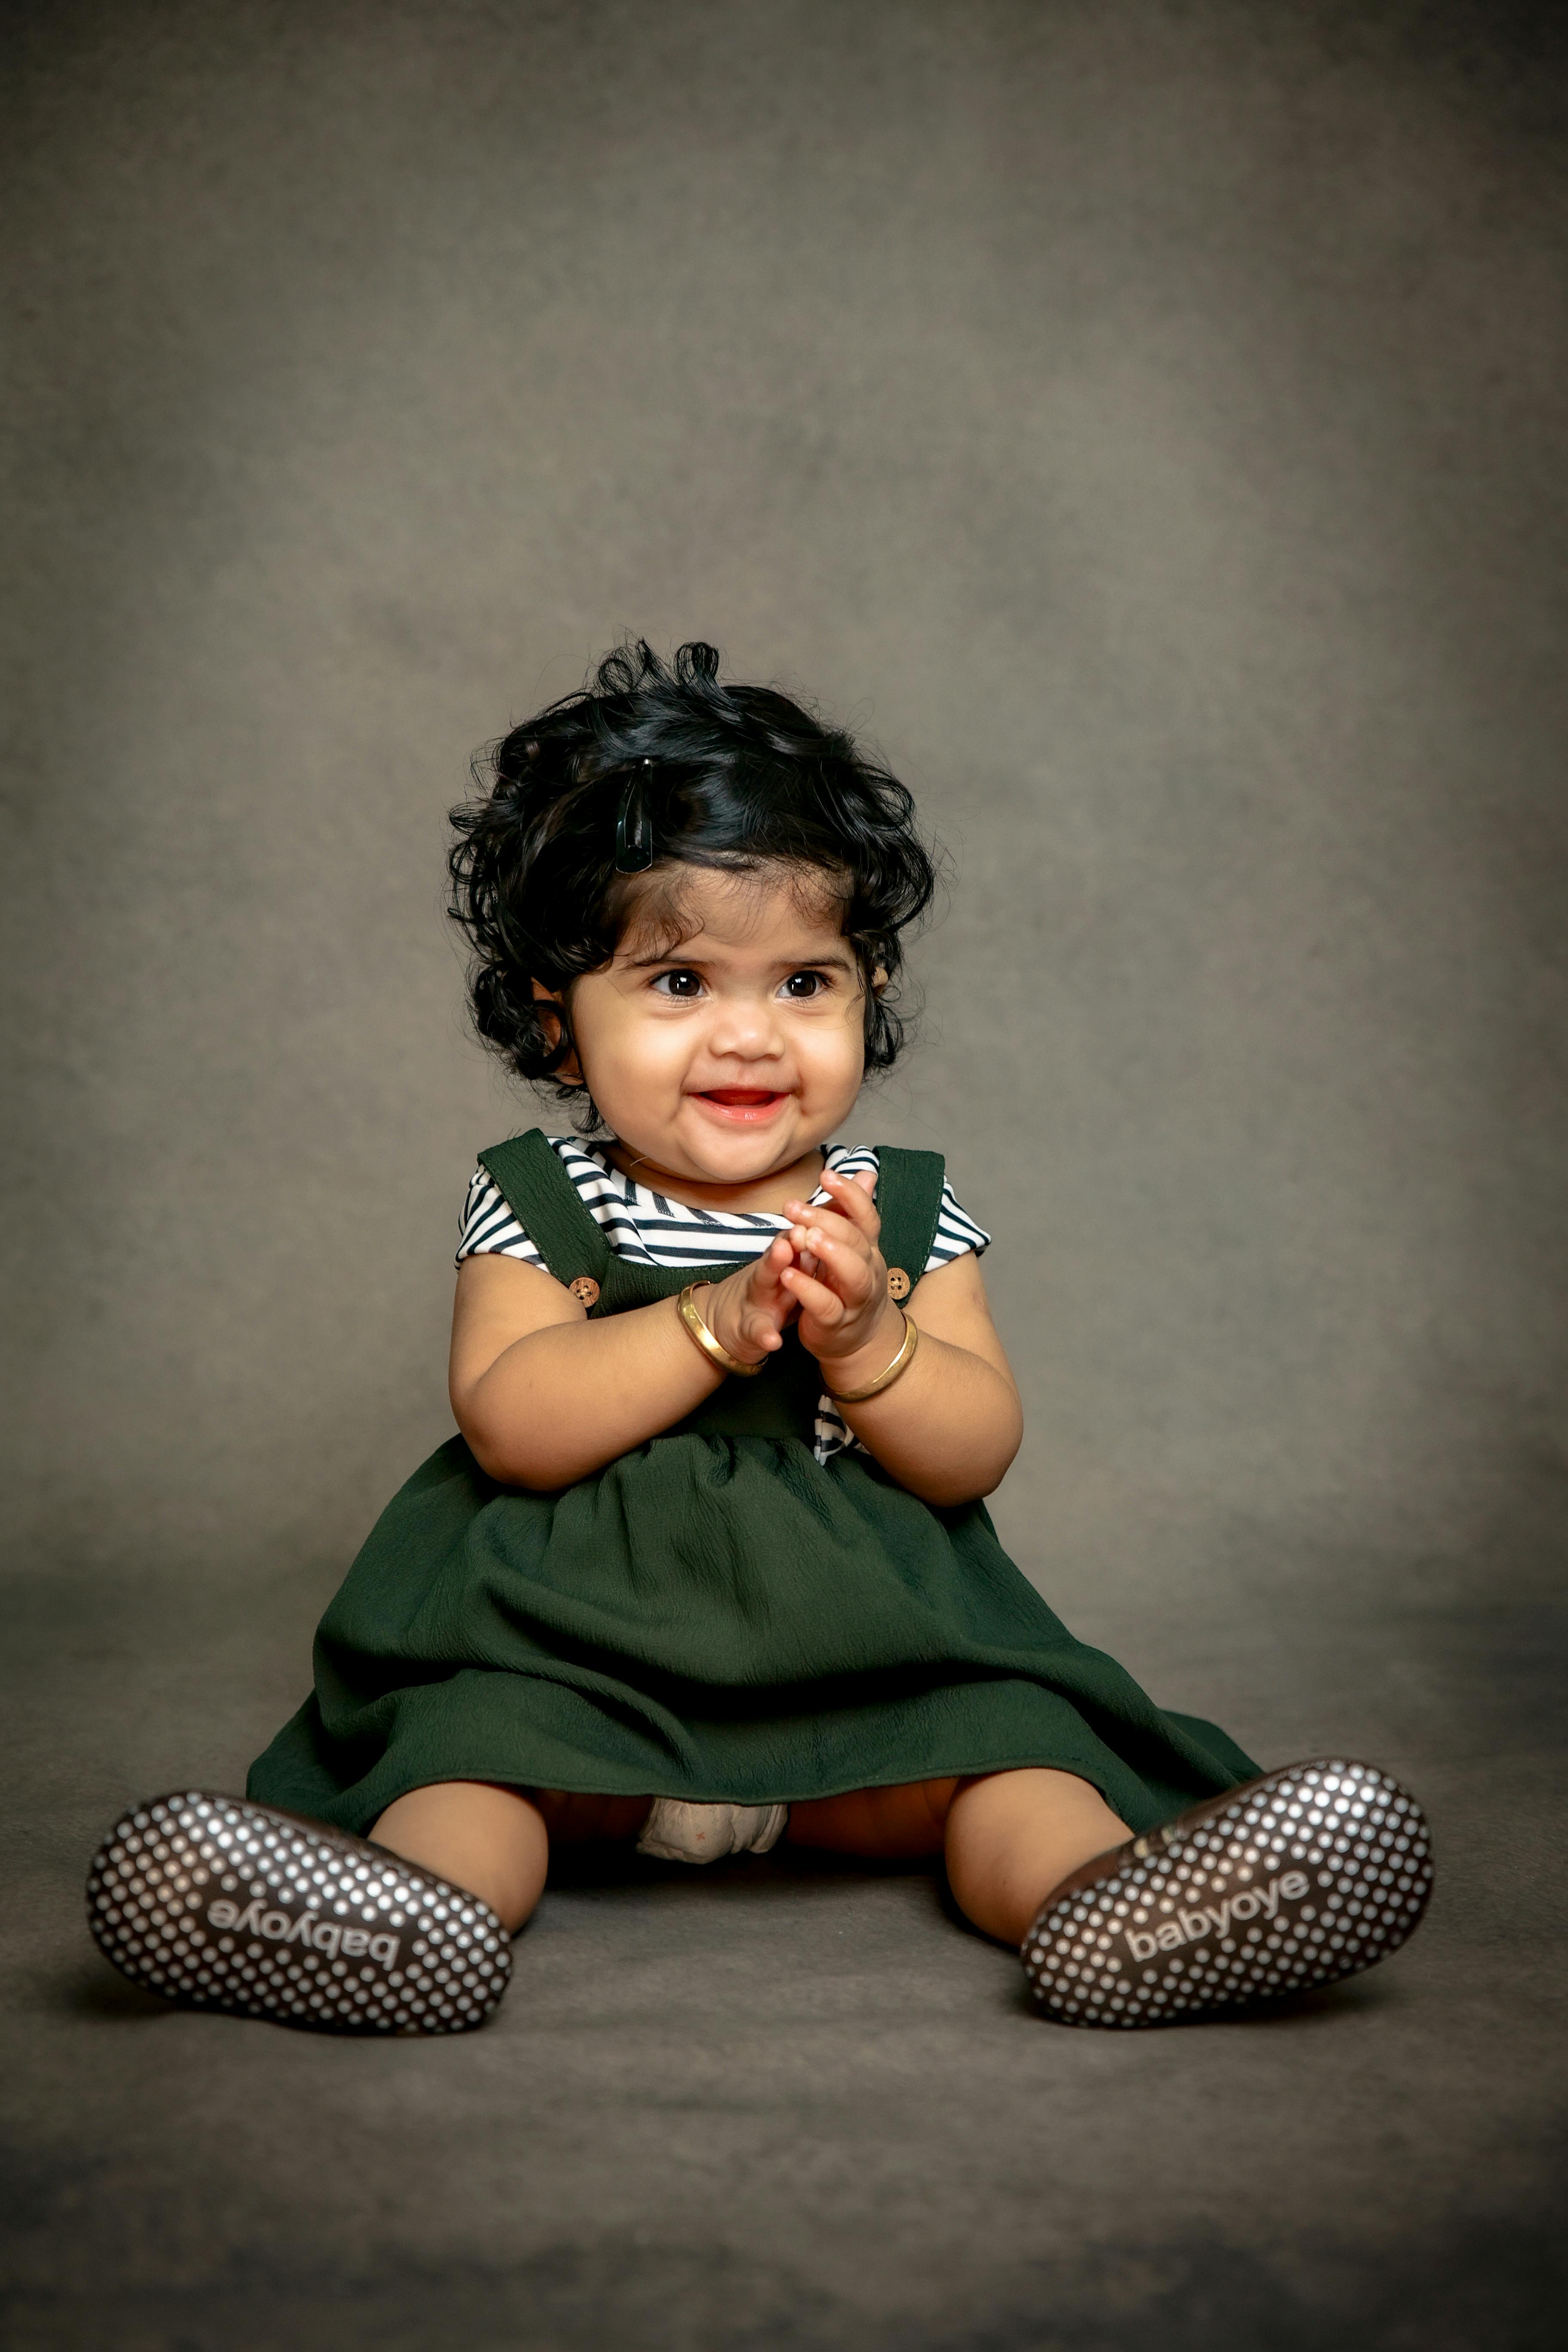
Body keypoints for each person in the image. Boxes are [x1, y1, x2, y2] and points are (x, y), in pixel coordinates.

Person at [87, 642, 1432, 2037]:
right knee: (464, 1774)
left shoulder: (898, 1206)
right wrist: (717, 1324)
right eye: (680, 986)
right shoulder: (543, 1199)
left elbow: (974, 1452)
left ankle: (1117, 1904)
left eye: (805, 984)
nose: (751, 1036)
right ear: (560, 1023)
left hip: (869, 1672)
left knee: (1019, 1763)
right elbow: (515, 1422)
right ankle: (400, 1920)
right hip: (571, 1676)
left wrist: (868, 1345)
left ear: (871, 991)